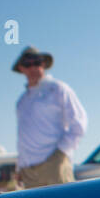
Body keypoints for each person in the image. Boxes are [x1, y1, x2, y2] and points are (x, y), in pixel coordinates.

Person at [13, 46, 88, 189]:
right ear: (21, 68)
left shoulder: (58, 88)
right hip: (28, 172)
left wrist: (60, 155)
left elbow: (79, 123)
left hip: (55, 165)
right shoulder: (21, 101)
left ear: (44, 65)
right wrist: (20, 167)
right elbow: (22, 136)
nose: (33, 67)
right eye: (27, 64)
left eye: (37, 62)